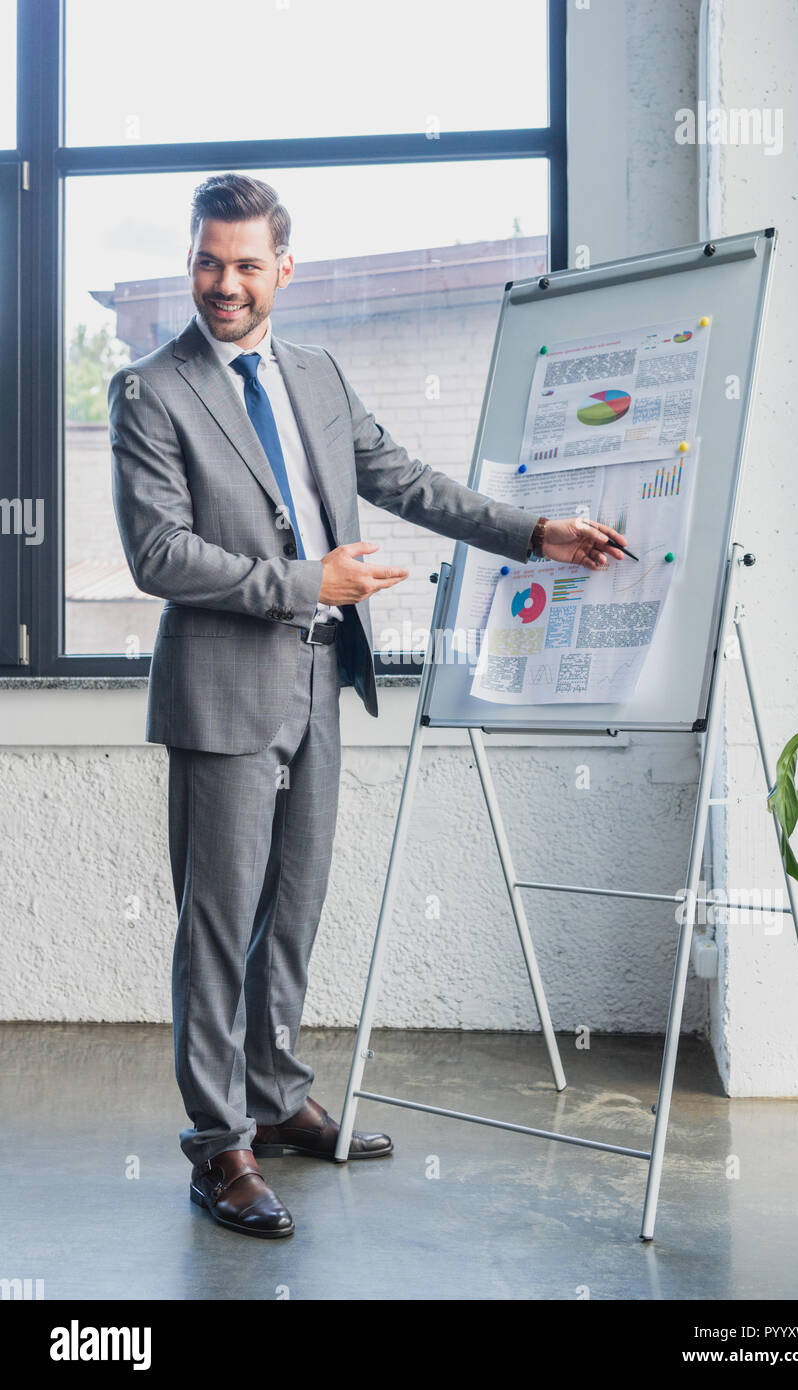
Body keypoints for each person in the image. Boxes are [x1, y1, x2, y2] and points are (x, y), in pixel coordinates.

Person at [108, 173, 627, 1239]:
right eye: (209, 260)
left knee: (293, 908)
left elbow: (413, 482)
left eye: (247, 263)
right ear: (190, 262)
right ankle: (218, 1145)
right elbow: (160, 554)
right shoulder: (150, 392)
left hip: (318, 681)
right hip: (222, 689)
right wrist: (311, 585)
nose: (225, 282)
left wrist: (539, 532)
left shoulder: (318, 375)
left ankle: (276, 1092)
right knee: (219, 924)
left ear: (283, 271)